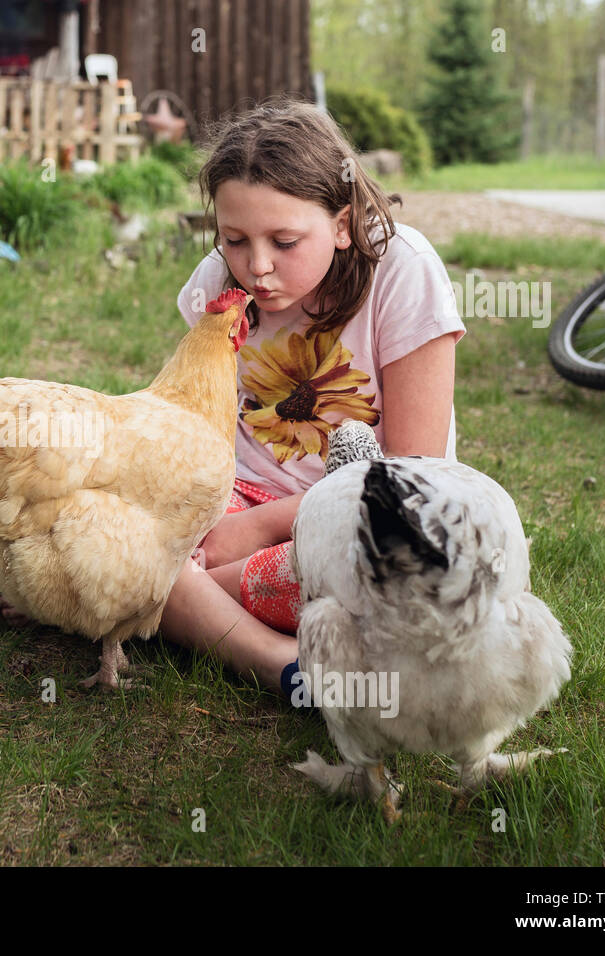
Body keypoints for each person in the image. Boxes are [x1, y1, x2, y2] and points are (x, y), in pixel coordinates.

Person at [156, 97, 466, 701]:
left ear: (343, 224)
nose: (258, 268)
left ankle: (164, 603)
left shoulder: (403, 271)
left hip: (368, 510)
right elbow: (195, 424)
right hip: (238, 492)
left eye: (285, 241)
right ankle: (284, 664)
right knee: (134, 535)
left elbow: (414, 472)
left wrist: (259, 527)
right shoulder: (221, 280)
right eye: (234, 240)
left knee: (382, 577)